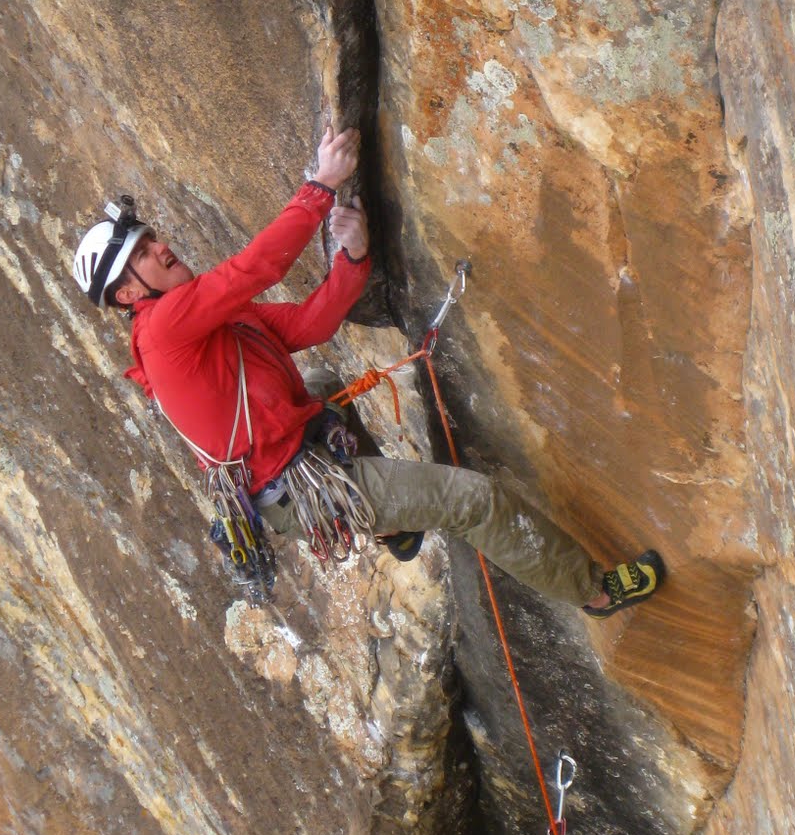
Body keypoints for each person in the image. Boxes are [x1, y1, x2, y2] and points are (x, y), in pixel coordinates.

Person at [73, 125, 663, 616]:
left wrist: (352, 259)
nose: (159, 247)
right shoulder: (164, 328)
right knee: (474, 501)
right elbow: (257, 268)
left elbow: (309, 325)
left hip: (298, 463)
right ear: (128, 293)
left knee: (326, 389)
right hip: (296, 488)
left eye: (150, 238)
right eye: (141, 255)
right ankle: (594, 592)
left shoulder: (210, 324)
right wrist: (318, 189)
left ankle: (394, 528)